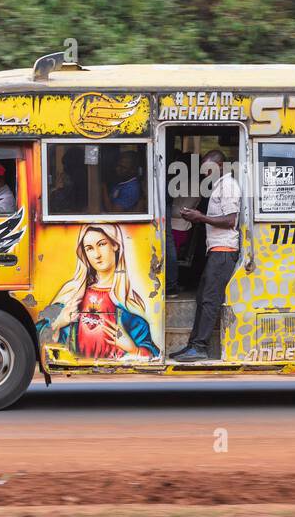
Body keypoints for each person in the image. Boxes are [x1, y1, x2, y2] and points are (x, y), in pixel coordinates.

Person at [38, 224, 158, 359]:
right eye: (89, 249)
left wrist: (133, 350)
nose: (97, 254)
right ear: (84, 253)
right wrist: (58, 324)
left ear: (115, 245)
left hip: (115, 375)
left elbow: (152, 354)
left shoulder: (129, 301)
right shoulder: (73, 292)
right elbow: (41, 339)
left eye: (101, 244)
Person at [170, 149, 241, 362]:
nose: (204, 172)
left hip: (224, 252)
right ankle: (193, 345)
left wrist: (200, 217)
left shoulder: (228, 186)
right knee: (202, 298)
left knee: (210, 300)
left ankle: (200, 347)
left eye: (207, 168)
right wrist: (198, 218)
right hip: (217, 251)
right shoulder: (220, 185)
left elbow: (230, 221)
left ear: (219, 166)